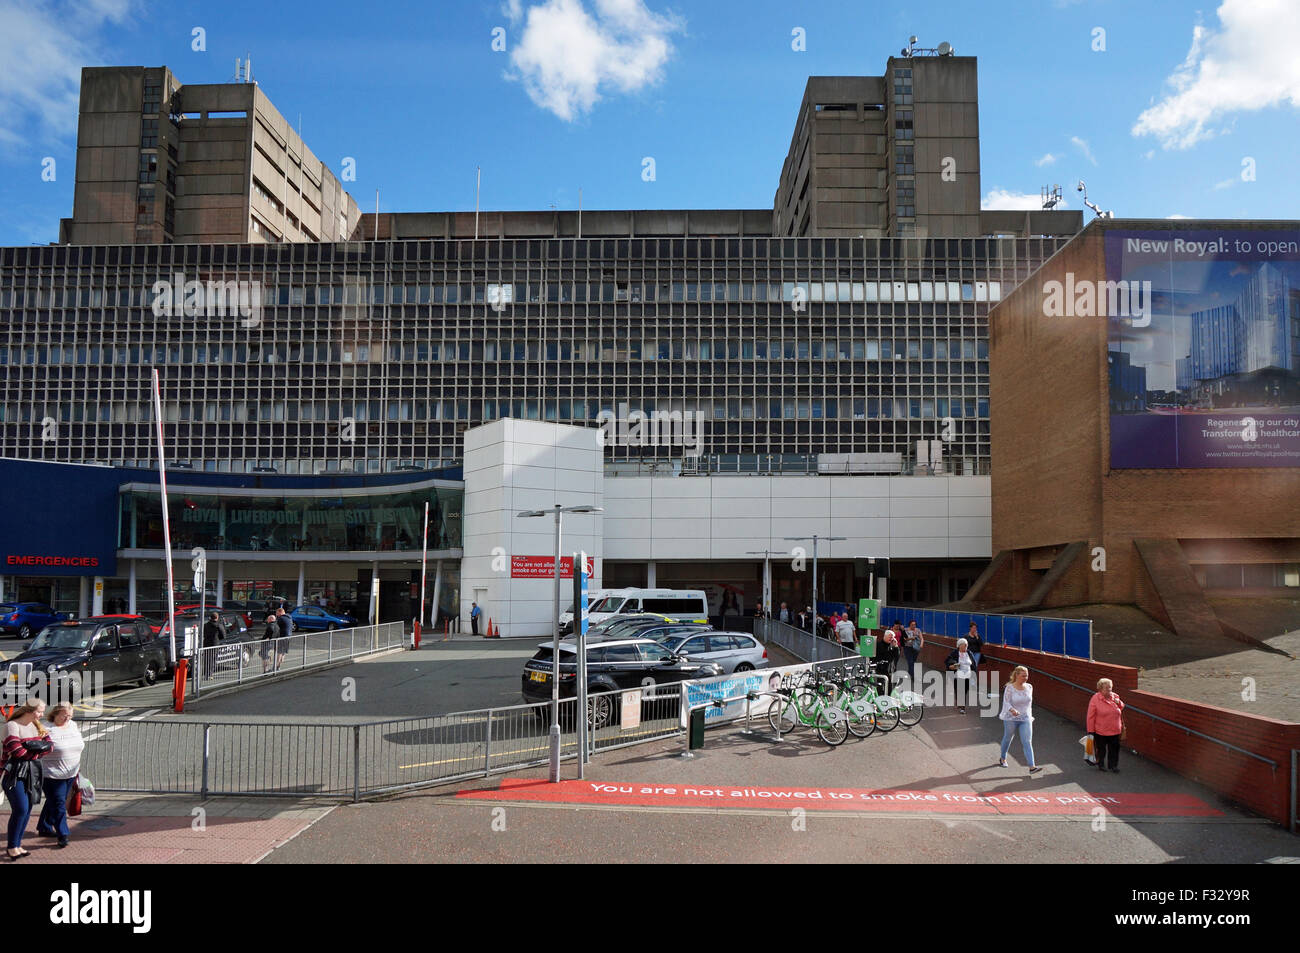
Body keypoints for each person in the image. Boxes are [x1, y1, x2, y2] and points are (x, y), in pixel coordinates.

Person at [3, 699, 50, 859]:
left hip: (32, 772)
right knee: (21, 809)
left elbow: (50, 746)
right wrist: (37, 751)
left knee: (28, 809)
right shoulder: (12, 726)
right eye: (40, 711)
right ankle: (11, 847)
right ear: (29, 710)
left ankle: (17, 845)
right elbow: (17, 752)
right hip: (14, 773)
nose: (42, 714)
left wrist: (33, 751)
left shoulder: (36, 726)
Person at [36, 703, 83, 848]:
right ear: (56, 713)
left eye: (70, 715)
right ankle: (63, 834)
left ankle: (44, 826)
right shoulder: (46, 728)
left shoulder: (73, 725)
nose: (68, 718)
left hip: (71, 773)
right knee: (59, 803)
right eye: (65, 715)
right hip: (51, 775)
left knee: (54, 801)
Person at [998, 665, 1043, 774]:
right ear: (1017, 675)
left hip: (1025, 718)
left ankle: (1032, 767)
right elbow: (1006, 702)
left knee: (1027, 741)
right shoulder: (1009, 688)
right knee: (1008, 738)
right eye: (1023, 676)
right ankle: (1003, 758)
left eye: (1027, 675)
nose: (1026, 678)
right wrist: (1012, 710)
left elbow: (1029, 704)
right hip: (1011, 718)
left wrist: (1028, 716)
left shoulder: (1029, 687)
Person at [1087, 677, 1126, 773]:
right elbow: (1090, 716)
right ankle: (1101, 764)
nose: (1109, 690)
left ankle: (1113, 766)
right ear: (1100, 689)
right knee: (1101, 750)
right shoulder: (1095, 698)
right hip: (1101, 731)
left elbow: (1122, 707)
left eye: (1110, 688)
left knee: (1114, 750)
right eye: (1106, 688)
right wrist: (1090, 731)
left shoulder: (1115, 696)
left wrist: (1119, 702)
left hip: (1115, 730)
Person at [945, 637, 979, 714]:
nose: (966, 647)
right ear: (959, 646)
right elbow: (948, 661)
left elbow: (973, 663)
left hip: (968, 675)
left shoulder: (969, 653)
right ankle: (962, 708)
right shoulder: (955, 653)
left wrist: (974, 674)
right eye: (964, 645)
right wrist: (953, 664)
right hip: (958, 675)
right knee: (960, 690)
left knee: (965, 690)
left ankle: (958, 701)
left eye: (966, 645)